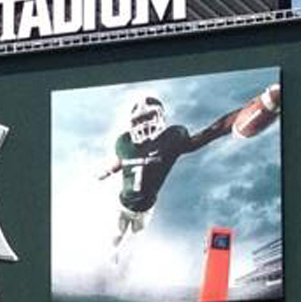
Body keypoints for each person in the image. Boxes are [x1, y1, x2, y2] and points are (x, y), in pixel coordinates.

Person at [97, 84, 279, 247]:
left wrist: (239, 115)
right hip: (124, 204)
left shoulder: (171, 139)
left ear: (160, 117)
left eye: (148, 117)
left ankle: (120, 261)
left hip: (146, 207)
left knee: (133, 238)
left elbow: (211, 132)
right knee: (117, 235)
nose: (144, 124)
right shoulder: (124, 142)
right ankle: (113, 253)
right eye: (139, 120)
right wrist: (108, 171)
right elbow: (124, 158)